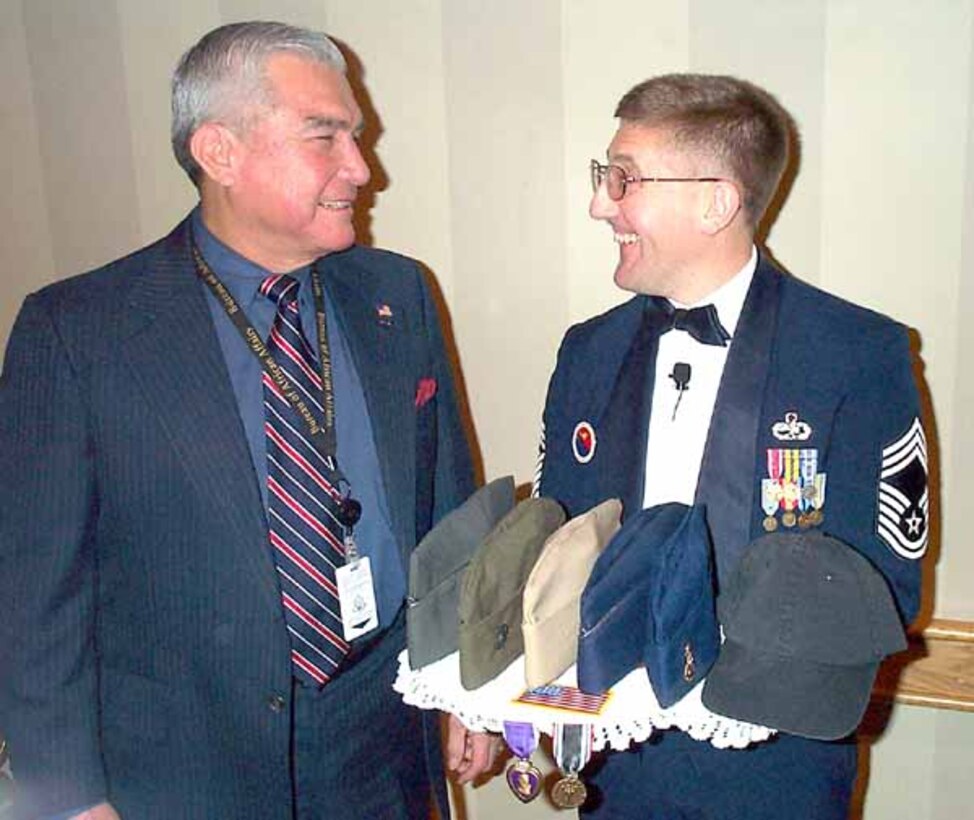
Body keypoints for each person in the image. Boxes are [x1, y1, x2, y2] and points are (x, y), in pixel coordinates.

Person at [0, 21, 496, 820]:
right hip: (182, 768)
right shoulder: (78, 331)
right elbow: (31, 598)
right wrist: (64, 799)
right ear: (219, 152)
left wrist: (466, 685)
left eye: (357, 138)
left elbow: (449, 512)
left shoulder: (397, 295)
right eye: (324, 137)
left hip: (382, 741)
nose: (362, 170)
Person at [535, 73, 927, 818]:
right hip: (618, 762)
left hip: (776, 767)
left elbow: (883, 584)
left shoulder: (854, 353)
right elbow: (561, 549)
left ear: (716, 200)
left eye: (623, 180)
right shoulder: (586, 353)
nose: (599, 203)